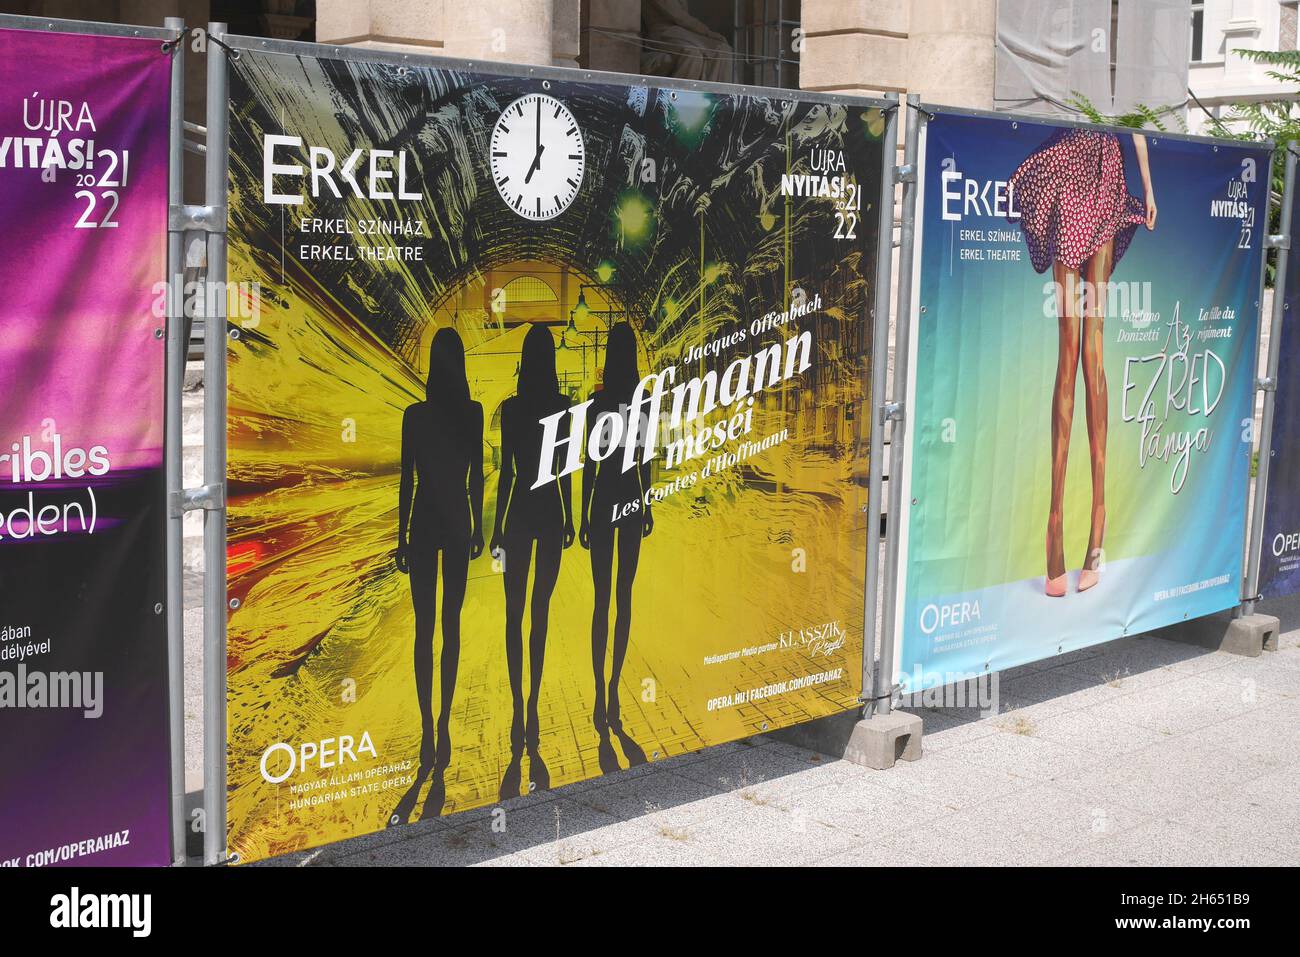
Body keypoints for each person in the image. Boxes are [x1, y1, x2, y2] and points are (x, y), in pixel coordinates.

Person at [1009, 127, 1156, 596]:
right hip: (1068, 166)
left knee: (1094, 344)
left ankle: (1097, 523)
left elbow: (1134, 119)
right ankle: (1054, 525)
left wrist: (1148, 189)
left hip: (1108, 169)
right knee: (1068, 346)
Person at [389, 328, 484, 824]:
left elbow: (407, 477)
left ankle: (427, 726)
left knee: (424, 630)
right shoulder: (472, 413)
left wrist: (401, 536)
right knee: (451, 628)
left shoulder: (415, 415)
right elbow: (478, 478)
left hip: (424, 524)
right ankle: (445, 721)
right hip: (457, 525)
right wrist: (479, 528)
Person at [490, 325, 575, 798]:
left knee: (513, 614)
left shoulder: (512, 409)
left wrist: (499, 526)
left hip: (520, 512)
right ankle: (535, 700)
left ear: (525, 359)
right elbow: (562, 468)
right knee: (539, 615)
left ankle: (519, 705)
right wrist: (570, 520)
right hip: (549, 514)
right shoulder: (562, 407)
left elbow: (507, 474)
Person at [581, 322, 651, 772]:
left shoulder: (597, 404)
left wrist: (584, 515)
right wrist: (647, 506)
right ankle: (614, 686)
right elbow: (647, 458)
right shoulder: (642, 401)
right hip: (629, 501)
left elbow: (589, 463)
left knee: (600, 600)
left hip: (604, 501)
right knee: (624, 600)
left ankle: (598, 691)